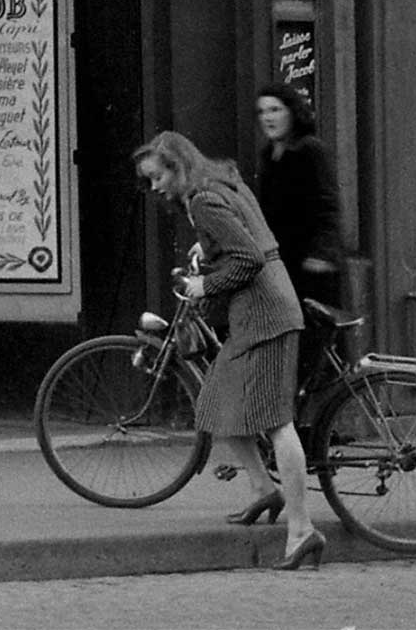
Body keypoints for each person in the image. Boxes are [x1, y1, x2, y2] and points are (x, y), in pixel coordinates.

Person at [133, 131, 326, 570]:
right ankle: (263, 489)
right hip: (265, 308)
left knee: (277, 424)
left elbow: (249, 259)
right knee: (217, 401)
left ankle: (301, 531)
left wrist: (205, 284)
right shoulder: (223, 181)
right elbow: (252, 234)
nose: (156, 187)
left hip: (266, 314)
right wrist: (209, 246)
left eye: (158, 176)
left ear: (178, 167)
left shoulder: (202, 200)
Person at [255, 83, 343, 308]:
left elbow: (328, 206)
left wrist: (322, 254)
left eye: (275, 110)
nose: (267, 118)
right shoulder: (268, 156)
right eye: (262, 111)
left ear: (292, 112)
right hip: (279, 263)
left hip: (310, 264)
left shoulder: (310, 150)